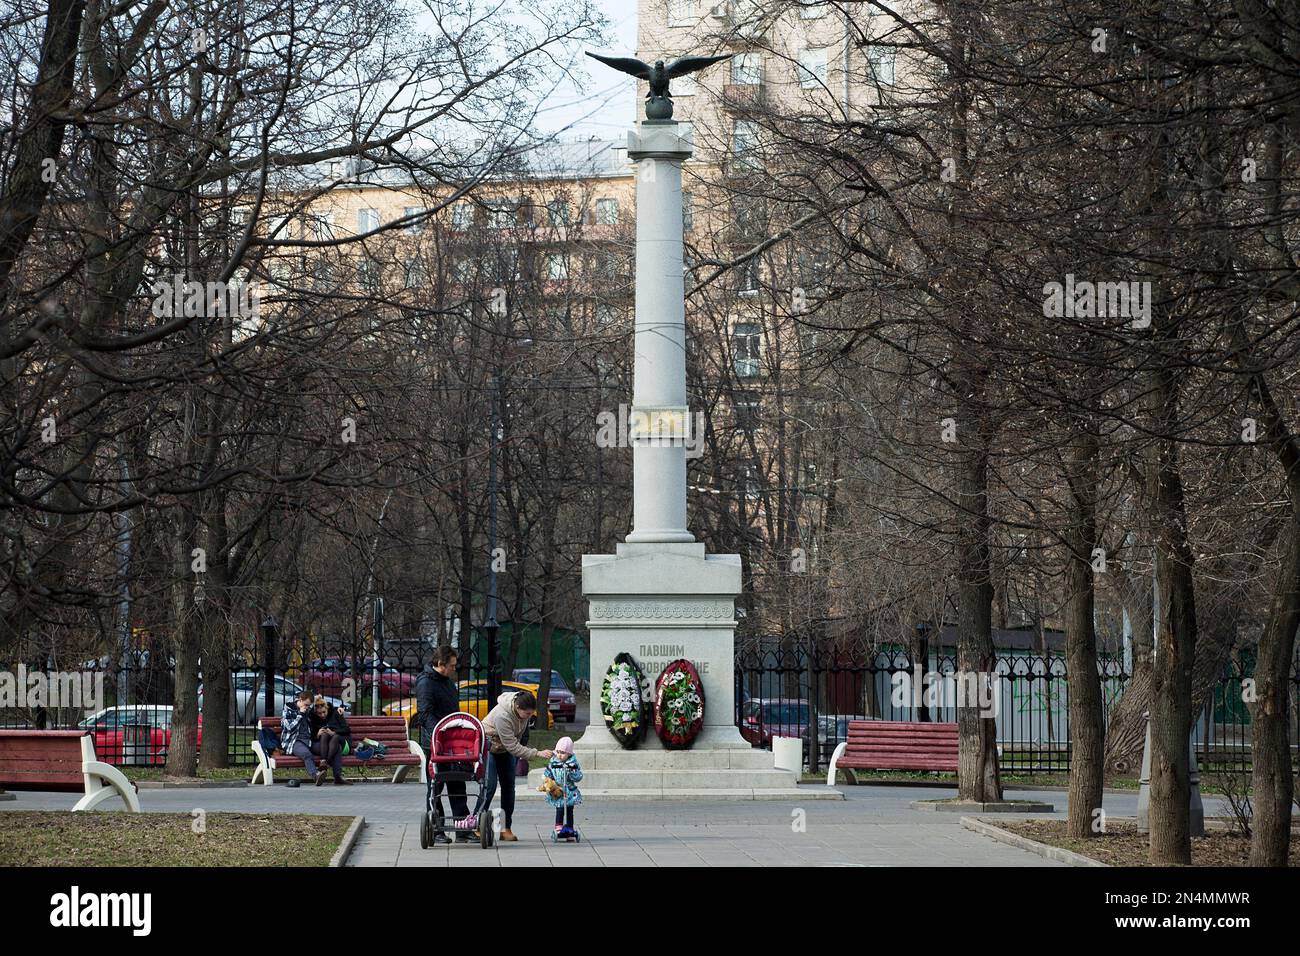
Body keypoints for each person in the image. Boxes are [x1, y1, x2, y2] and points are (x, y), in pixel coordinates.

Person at [465, 689, 551, 842]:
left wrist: (522, 751)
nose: (529, 717)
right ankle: (477, 825)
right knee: (489, 787)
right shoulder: (502, 715)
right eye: (527, 714)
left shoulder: (523, 713)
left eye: (531, 713)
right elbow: (512, 745)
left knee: (508, 788)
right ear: (517, 707)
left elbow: (520, 736)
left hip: (505, 749)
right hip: (489, 748)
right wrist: (536, 753)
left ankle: (504, 828)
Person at [414, 645, 467, 842]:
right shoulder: (426, 683)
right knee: (436, 787)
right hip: (435, 742)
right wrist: (441, 732)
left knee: (457, 784)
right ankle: (436, 829)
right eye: (452, 665)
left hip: (452, 741)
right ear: (440, 664)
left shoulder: (446, 681)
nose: (454, 669)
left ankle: (463, 829)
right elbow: (425, 714)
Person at [542, 736, 583, 840]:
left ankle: (569, 828)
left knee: (569, 810)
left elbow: (579, 776)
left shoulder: (573, 763)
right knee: (560, 808)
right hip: (558, 790)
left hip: (569, 790)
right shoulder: (554, 762)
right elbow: (548, 772)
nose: (559, 755)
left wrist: (572, 771)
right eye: (558, 752)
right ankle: (559, 826)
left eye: (563, 753)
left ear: (569, 753)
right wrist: (548, 780)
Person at [309, 695, 351, 785]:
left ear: (327, 708)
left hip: (343, 741)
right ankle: (337, 776)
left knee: (335, 739)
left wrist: (334, 732)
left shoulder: (336, 713)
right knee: (326, 735)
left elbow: (347, 729)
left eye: (324, 712)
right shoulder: (314, 719)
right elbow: (310, 735)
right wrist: (317, 734)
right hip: (326, 745)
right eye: (319, 713)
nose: (322, 715)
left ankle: (325, 762)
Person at [280, 691, 319, 783]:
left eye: (309, 705)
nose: (307, 707)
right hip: (294, 741)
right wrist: (300, 715)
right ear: (300, 700)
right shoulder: (288, 709)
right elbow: (289, 728)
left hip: (308, 740)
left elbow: (324, 707)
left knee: (325, 748)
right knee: (306, 754)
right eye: (306, 705)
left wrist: (337, 709)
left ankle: (336, 775)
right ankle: (316, 776)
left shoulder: (308, 708)